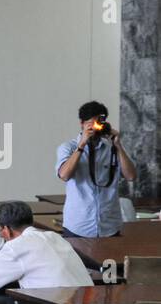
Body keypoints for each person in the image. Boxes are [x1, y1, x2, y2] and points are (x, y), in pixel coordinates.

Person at [56, 100, 136, 238]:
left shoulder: (112, 148)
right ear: (82, 123)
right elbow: (64, 175)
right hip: (78, 226)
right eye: (92, 123)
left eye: (99, 123)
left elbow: (131, 176)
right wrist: (82, 145)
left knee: (110, 260)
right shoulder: (68, 147)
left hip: (109, 226)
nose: (96, 128)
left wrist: (118, 145)